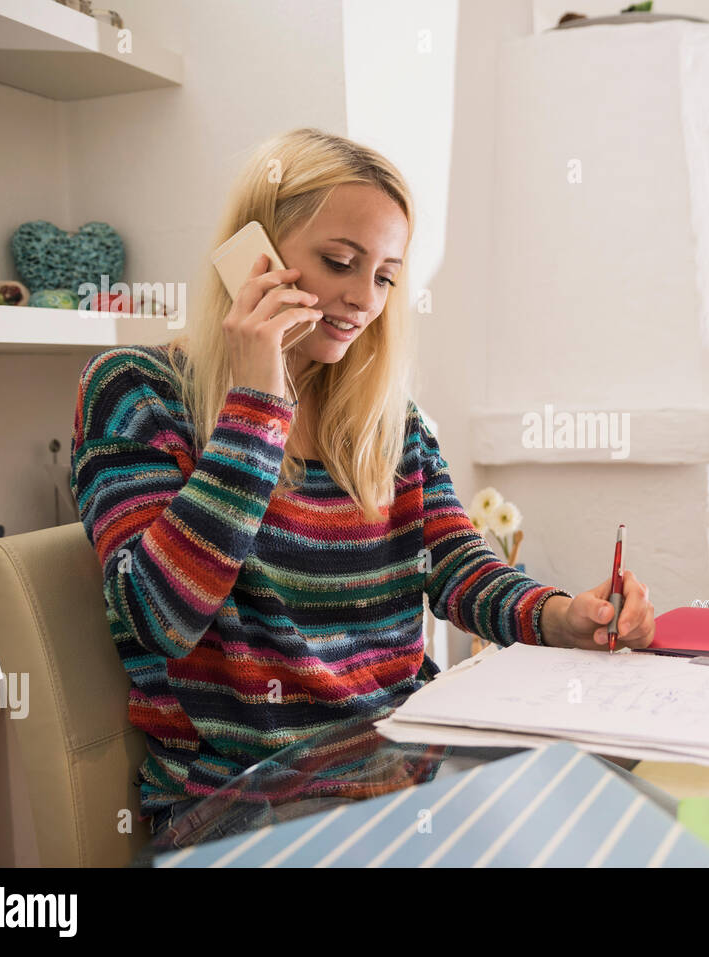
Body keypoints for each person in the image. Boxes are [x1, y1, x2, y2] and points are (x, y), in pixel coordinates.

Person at [70, 128, 656, 837]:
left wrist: (563, 615)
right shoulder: (135, 392)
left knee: (623, 804)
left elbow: (458, 565)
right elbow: (158, 618)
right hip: (239, 802)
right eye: (339, 262)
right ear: (254, 254)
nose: (361, 299)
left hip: (401, 769)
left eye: (383, 275)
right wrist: (258, 405)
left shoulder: (387, 420)